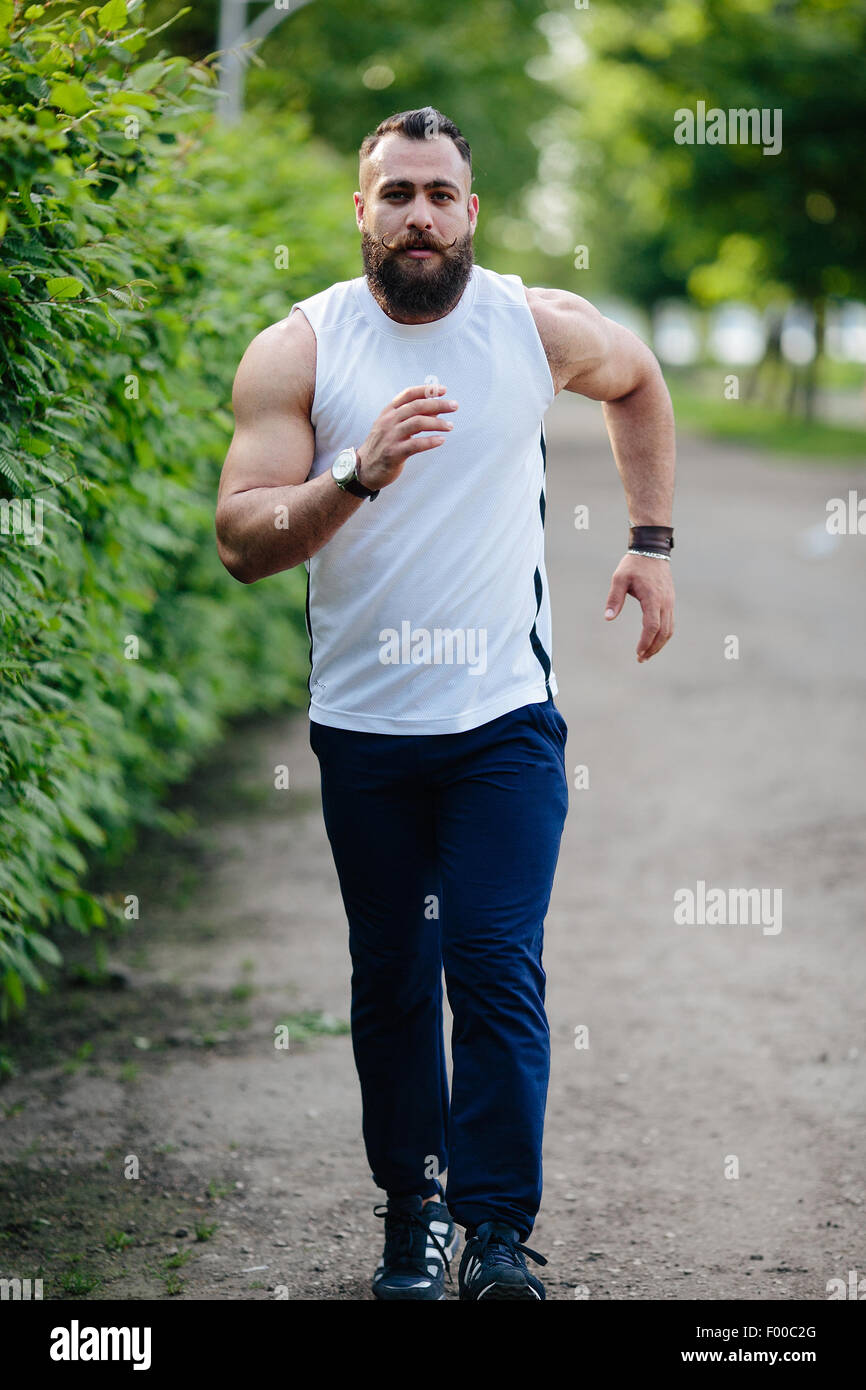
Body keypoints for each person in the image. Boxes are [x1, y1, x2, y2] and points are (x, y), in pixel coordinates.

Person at [215, 106, 675, 1301]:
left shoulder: (530, 327)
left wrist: (652, 543)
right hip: (363, 732)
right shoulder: (298, 349)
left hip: (503, 727)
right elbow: (241, 540)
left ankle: (498, 1235)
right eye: (396, 193)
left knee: (492, 964)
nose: (418, 213)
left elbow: (639, 382)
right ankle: (410, 1213)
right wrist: (354, 472)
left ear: (472, 212)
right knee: (392, 977)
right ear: (359, 213)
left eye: (439, 193)